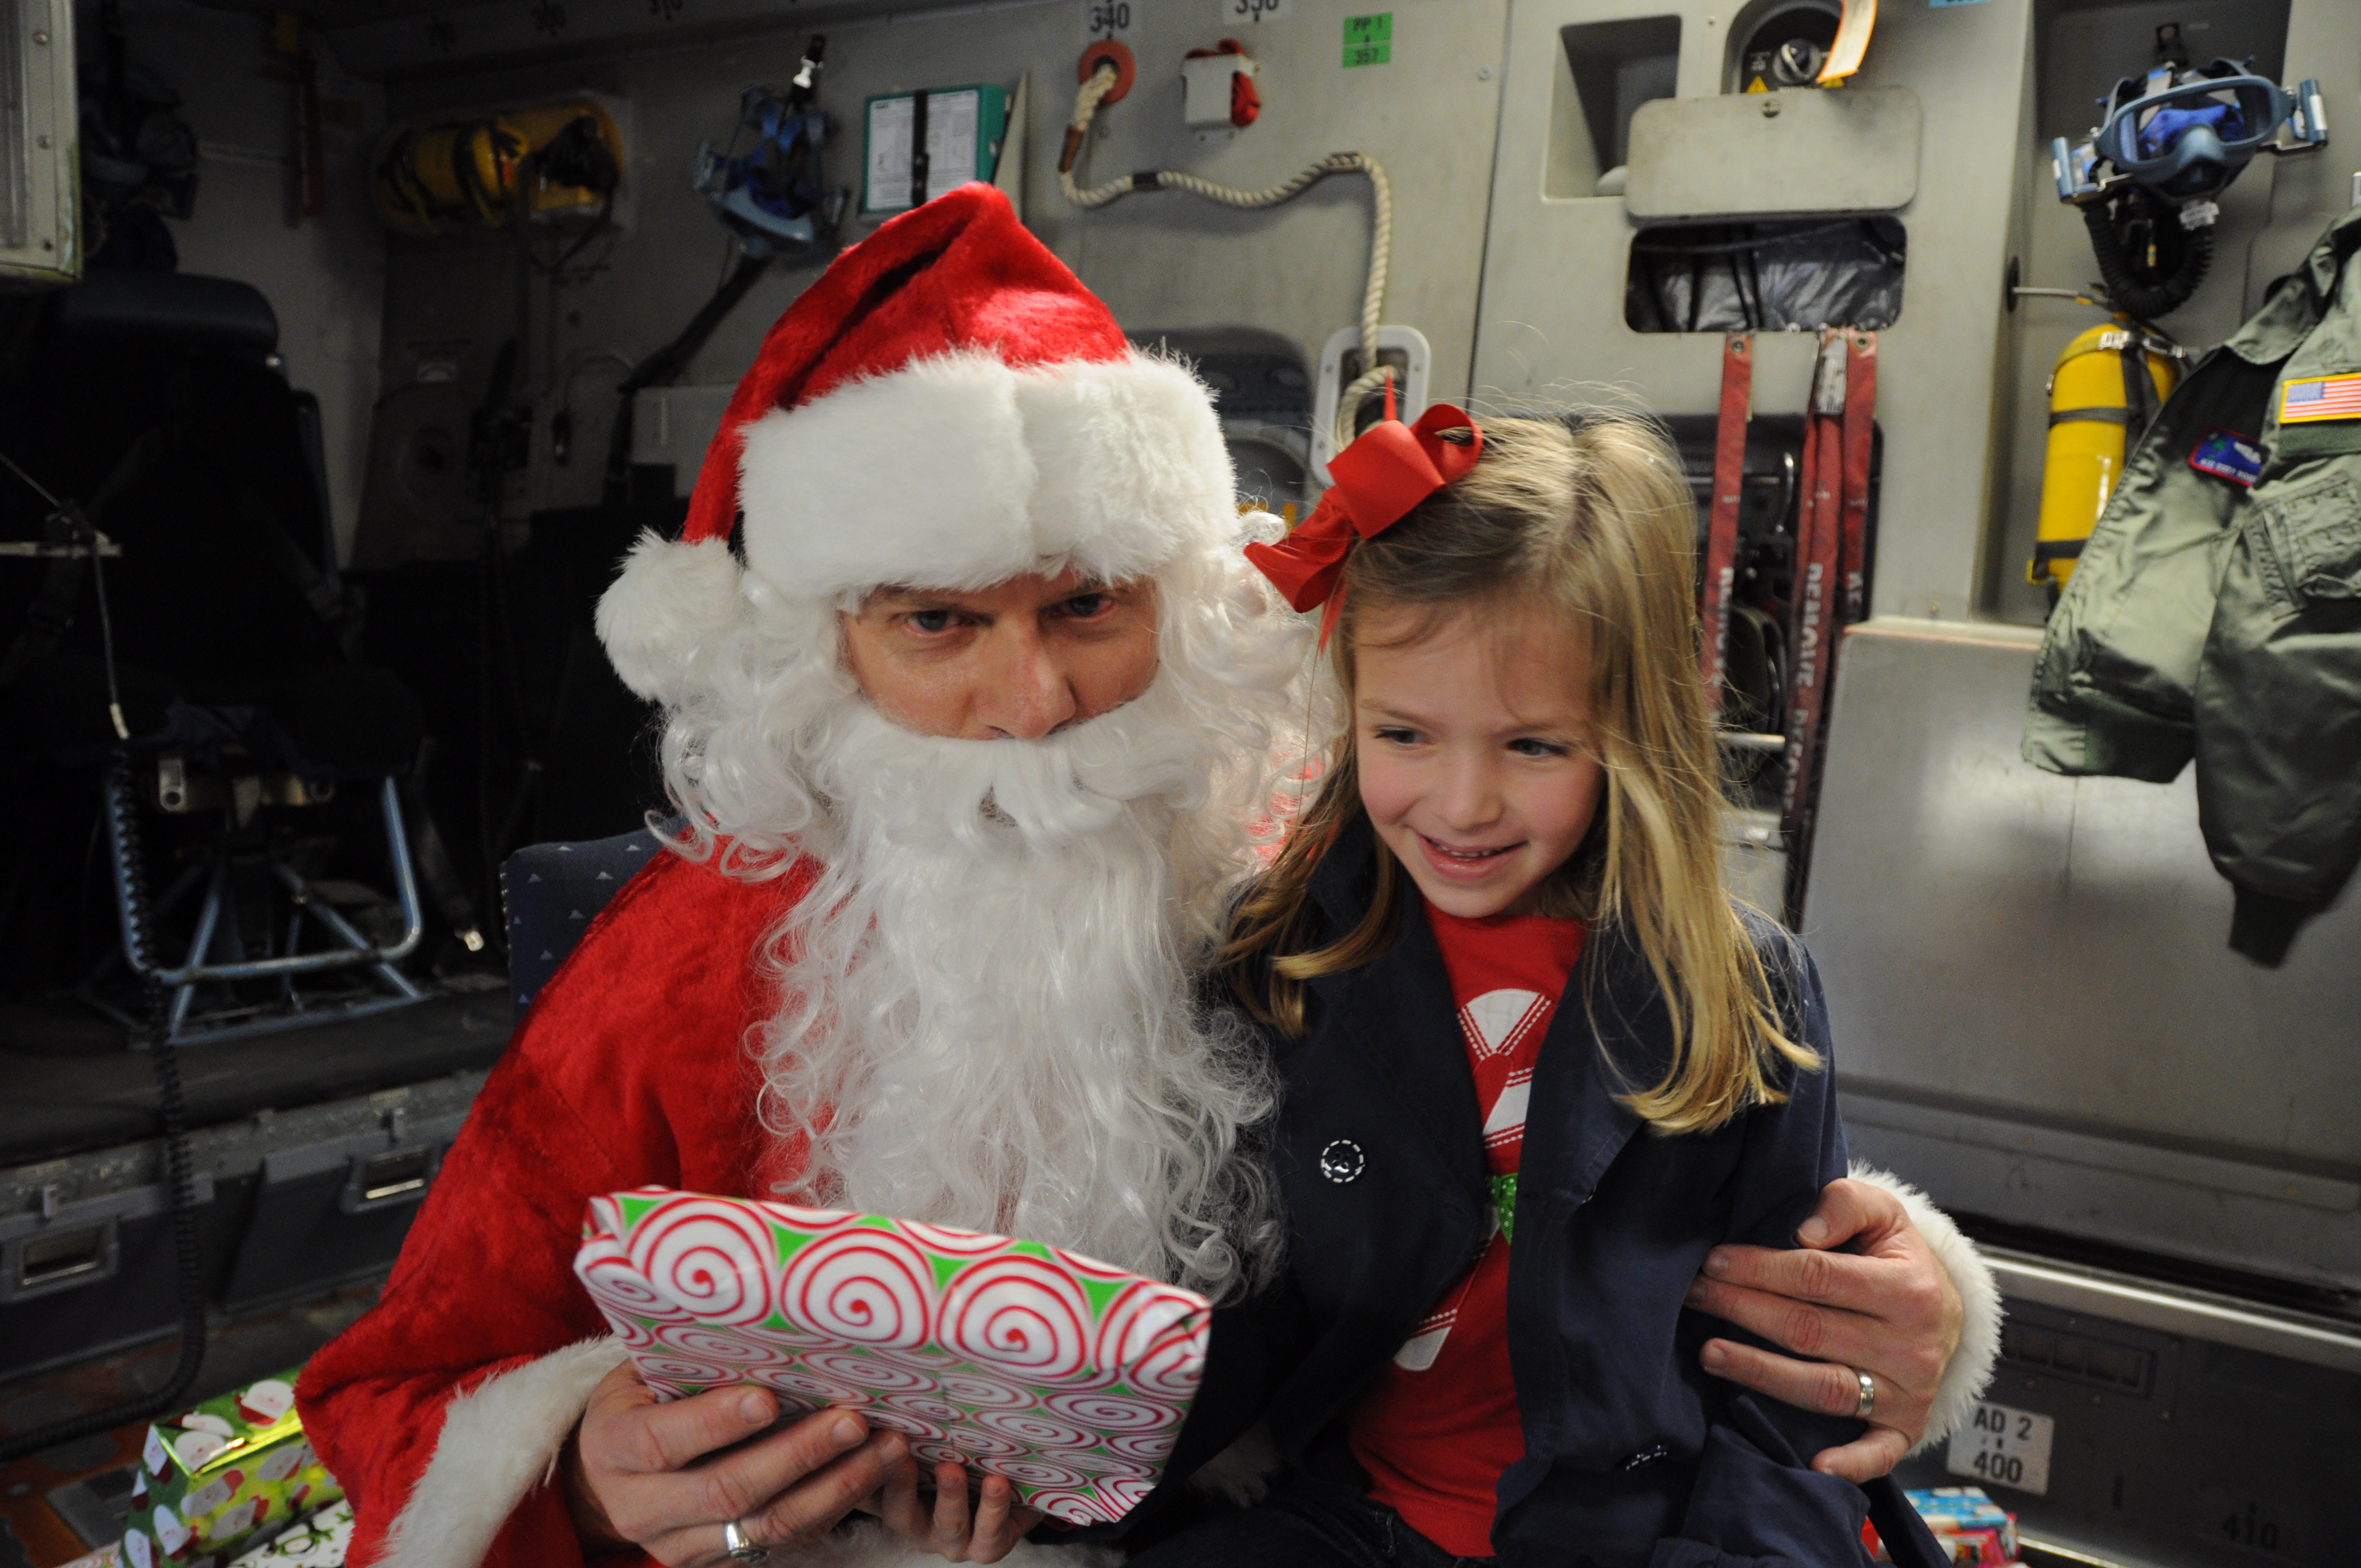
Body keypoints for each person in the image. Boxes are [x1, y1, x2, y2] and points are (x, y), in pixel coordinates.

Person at [296, 187, 1997, 1568]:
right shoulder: (688, 956)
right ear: (824, 644)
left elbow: (1593, 1117)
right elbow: (402, 1384)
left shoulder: (1304, 855)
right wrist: (585, 1478)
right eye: (941, 623)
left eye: (1087, 610)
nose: (1031, 704)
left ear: (1179, 600)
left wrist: (1887, 1297)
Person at [1120, 405, 1965, 1566]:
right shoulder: (1278, 950)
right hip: (1347, 1516)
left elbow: (1791, 1378)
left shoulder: (1743, 990)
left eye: (1531, 746)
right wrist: (1057, 1471)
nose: (1461, 803)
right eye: (1404, 733)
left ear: (1629, 726)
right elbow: (1237, 1308)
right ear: (1346, 704)